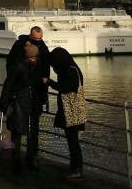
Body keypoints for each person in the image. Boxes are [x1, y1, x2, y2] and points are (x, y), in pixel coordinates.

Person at [0, 41, 48, 171]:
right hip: (20, 104)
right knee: (18, 134)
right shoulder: (19, 67)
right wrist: (4, 102)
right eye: (33, 57)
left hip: (30, 103)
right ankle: (17, 162)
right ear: (28, 57)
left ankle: (28, 160)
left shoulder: (33, 65)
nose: (35, 59)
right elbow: (9, 84)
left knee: (29, 134)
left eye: (36, 57)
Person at [49, 47, 86, 180]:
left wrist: (50, 82)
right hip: (72, 111)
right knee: (72, 141)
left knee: (73, 142)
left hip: (71, 112)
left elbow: (66, 88)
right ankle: (75, 168)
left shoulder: (70, 71)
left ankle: (77, 169)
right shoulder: (73, 69)